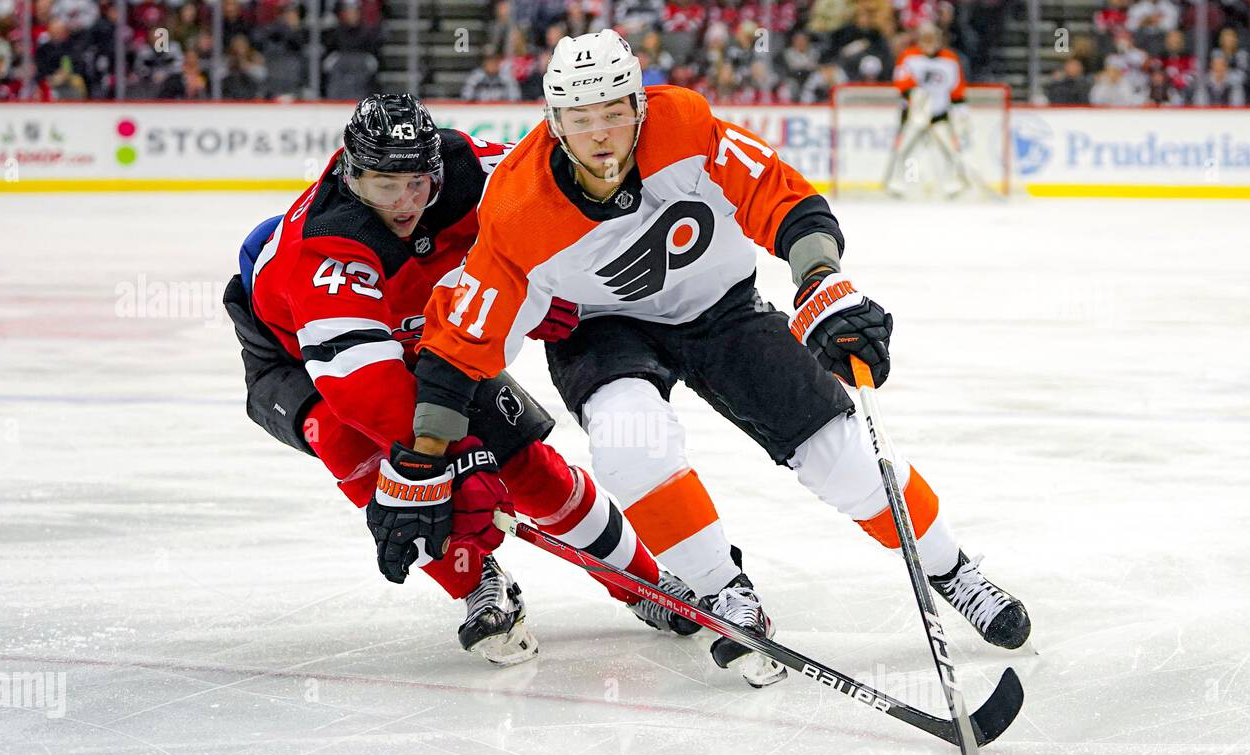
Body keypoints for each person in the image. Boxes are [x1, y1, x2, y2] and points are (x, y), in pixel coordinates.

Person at [406, 30, 1032, 687]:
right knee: (630, 443)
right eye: (582, 119)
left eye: (616, 113)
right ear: (553, 122)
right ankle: (724, 592)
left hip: (722, 308)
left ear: (640, 107)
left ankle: (953, 571)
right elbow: (464, 338)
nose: (601, 135)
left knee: (840, 451)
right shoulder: (515, 202)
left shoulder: (684, 123)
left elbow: (780, 197)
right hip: (601, 330)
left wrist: (821, 282)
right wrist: (422, 454)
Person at [223, 94, 699, 667]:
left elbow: (562, 191)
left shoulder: (472, 169)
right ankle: (476, 581)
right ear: (352, 176)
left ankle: (644, 581)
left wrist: (537, 291)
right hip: (296, 359)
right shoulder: (324, 244)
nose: (405, 203)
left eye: (418, 184)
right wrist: (453, 462)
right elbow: (361, 387)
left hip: (420, 329)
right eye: (384, 186)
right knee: (381, 467)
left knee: (523, 461)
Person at [882, 21, 974, 196]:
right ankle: (898, 183)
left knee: (949, 150)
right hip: (915, 113)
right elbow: (901, 81)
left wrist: (961, 107)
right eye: (925, 38)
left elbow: (957, 85)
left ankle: (952, 184)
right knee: (905, 148)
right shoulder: (909, 56)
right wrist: (913, 95)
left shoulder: (949, 58)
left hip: (940, 113)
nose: (929, 41)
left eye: (932, 37)